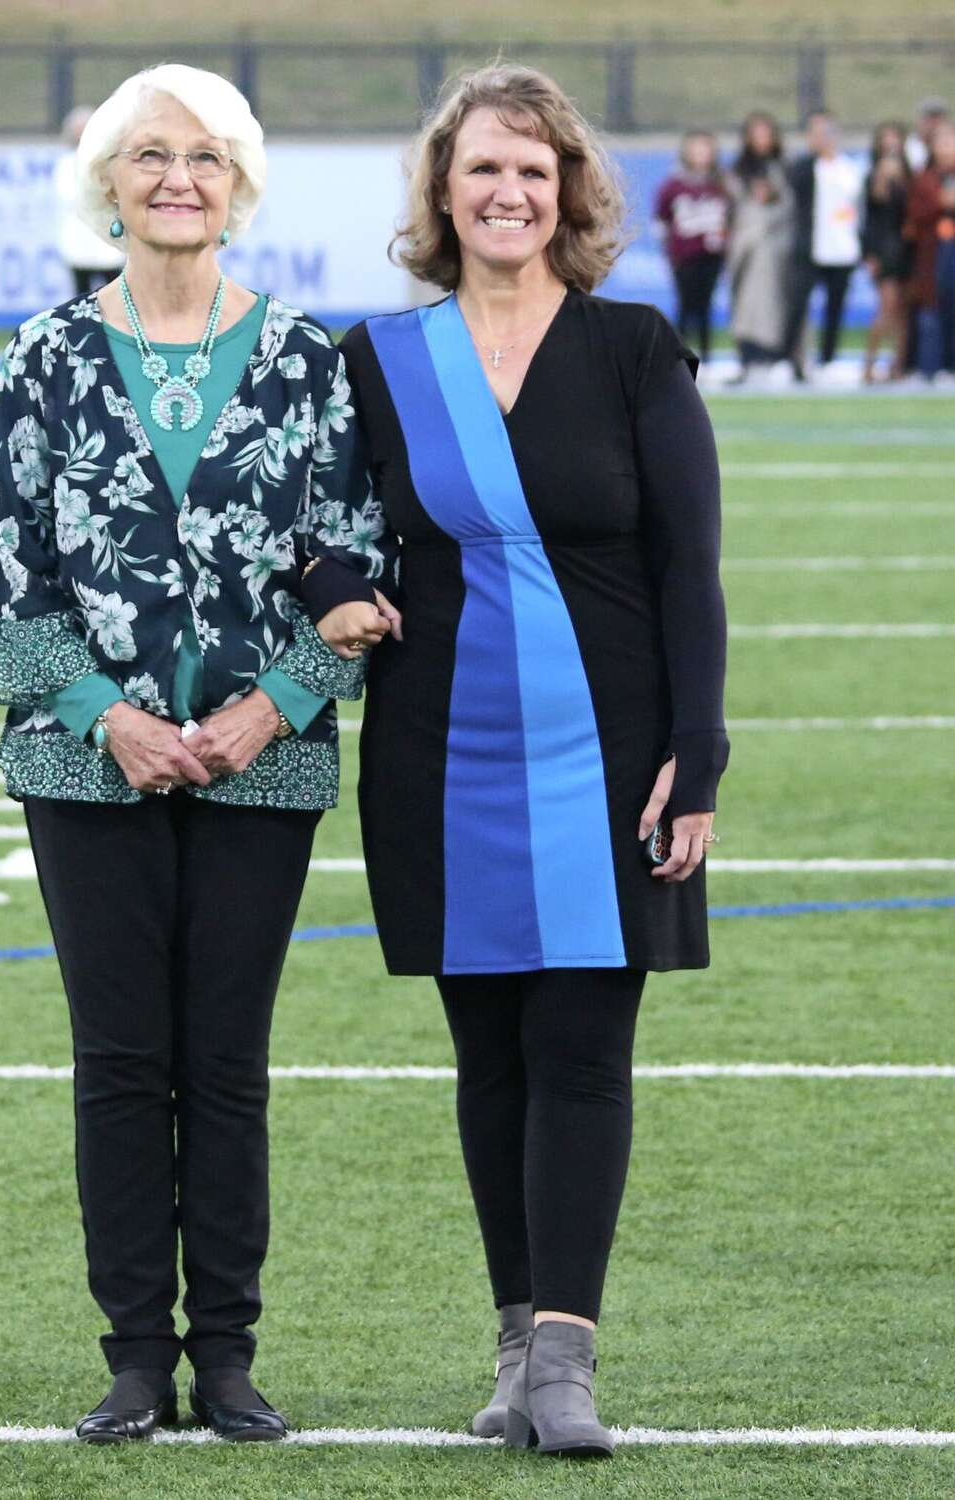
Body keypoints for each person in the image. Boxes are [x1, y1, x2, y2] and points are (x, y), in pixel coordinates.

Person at [0, 63, 398, 1445]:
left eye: (206, 156)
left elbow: (360, 561)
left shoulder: (308, 357)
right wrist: (112, 717)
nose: (178, 178)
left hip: (265, 762)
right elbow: (1, 575)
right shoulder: (46, 354)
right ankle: (138, 1356)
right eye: (150, 155)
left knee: (227, 1066)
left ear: (240, 184)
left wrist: (272, 708)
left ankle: (231, 1356)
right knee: (119, 1061)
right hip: (85, 763)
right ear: (108, 181)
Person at [337, 64, 728, 1459]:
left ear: (568, 194)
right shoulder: (381, 359)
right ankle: (514, 1347)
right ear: (444, 195)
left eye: (533, 171)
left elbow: (691, 567)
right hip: (439, 754)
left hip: (607, 755)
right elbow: (322, 528)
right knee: (490, 1055)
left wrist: (697, 755)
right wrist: (334, 586)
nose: (509, 193)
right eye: (483, 170)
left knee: (581, 1047)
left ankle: (566, 1361)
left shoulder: (634, 347)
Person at [782, 109, 863, 381]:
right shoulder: (803, 167)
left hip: (843, 250)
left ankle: (828, 359)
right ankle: (789, 360)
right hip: (810, 249)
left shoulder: (850, 168)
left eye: (826, 132)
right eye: (815, 133)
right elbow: (793, 189)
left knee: (835, 307)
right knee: (797, 306)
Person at [723, 111, 794, 383]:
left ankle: (773, 356)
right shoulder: (738, 171)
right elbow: (732, 209)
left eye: (765, 133)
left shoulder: (783, 168)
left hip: (775, 249)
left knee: (772, 305)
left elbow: (788, 207)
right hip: (744, 248)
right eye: (756, 134)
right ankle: (747, 356)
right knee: (744, 305)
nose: (761, 139)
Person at [653, 130, 730, 363]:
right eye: (696, 148)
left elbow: (730, 216)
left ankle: (706, 357)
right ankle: (681, 358)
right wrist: (669, 250)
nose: (700, 154)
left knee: (706, 305)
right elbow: (661, 219)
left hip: (712, 255)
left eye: (705, 148)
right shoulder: (674, 185)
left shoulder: (721, 183)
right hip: (684, 256)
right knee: (686, 305)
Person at [903, 119, 955, 382]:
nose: (946, 147)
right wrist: (940, 203)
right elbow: (914, 216)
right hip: (933, 253)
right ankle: (930, 367)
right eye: (941, 142)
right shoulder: (924, 179)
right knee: (931, 310)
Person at [861, 121, 913, 382]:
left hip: (906, 249)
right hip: (884, 250)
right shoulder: (873, 176)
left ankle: (897, 366)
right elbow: (871, 216)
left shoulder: (909, 175)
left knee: (902, 311)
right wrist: (869, 254)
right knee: (887, 306)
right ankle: (869, 365)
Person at [55, 106, 124, 297]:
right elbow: (68, 197)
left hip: (108, 247)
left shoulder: (110, 162)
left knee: (116, 295)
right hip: (78, 244)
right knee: (81, 298)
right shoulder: (66, 163)